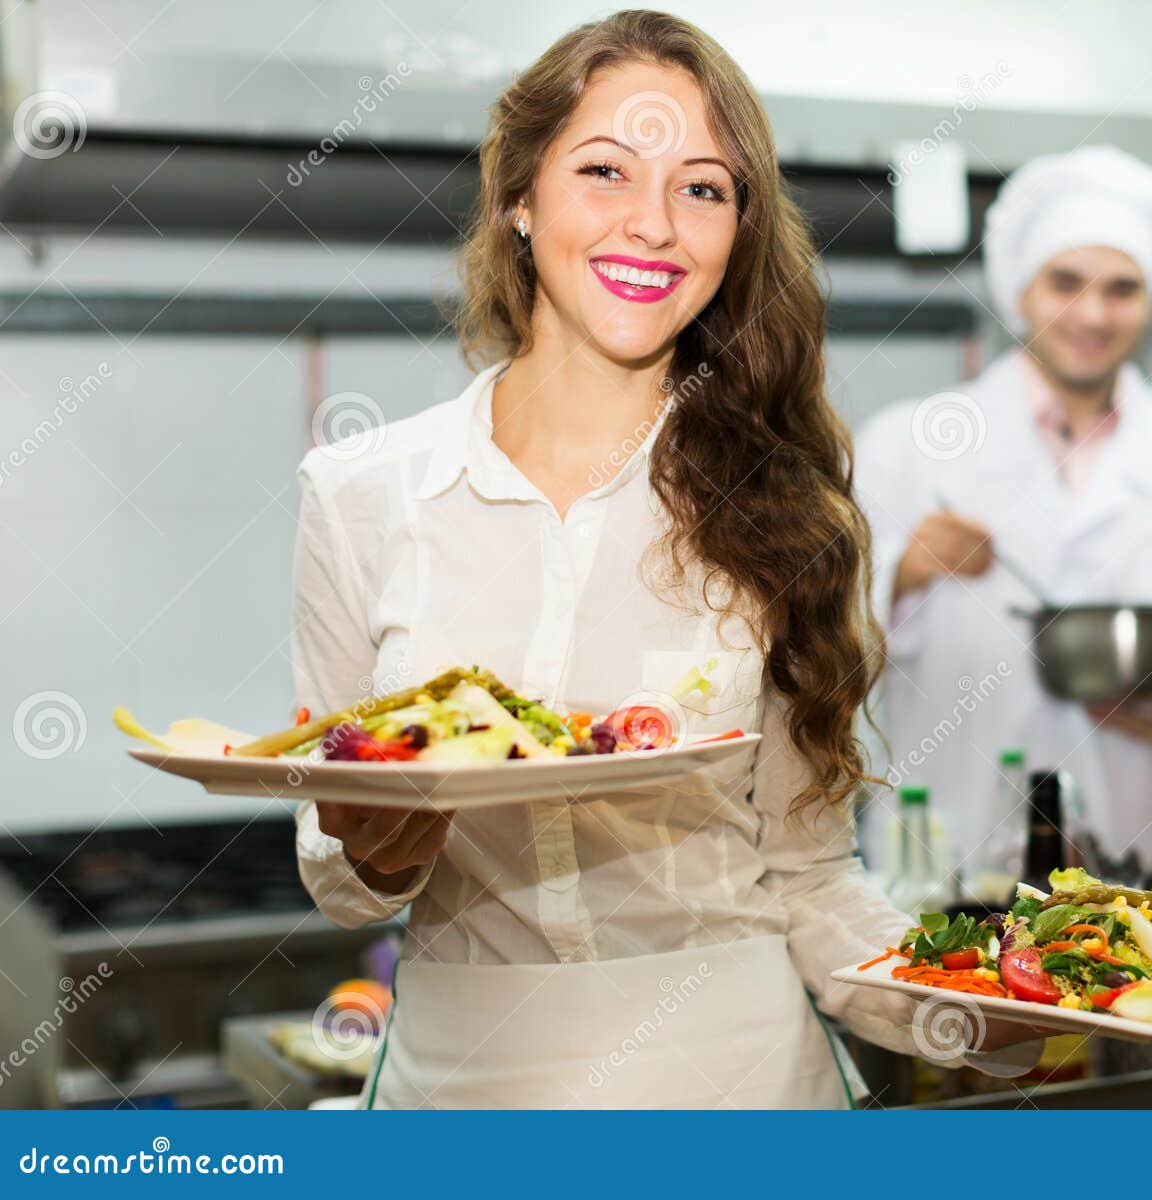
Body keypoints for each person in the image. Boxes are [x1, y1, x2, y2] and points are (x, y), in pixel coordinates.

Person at [289, 10, 1044, 1110]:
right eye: (604, 171)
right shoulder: (360, 496)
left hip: (738, 1092)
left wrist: (966, 1006)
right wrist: (384, 848)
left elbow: (809, 879)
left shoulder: (783, 510)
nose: (653, 226)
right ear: (519, 195)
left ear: (737, 230)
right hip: (459, 1098)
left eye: (701, 188)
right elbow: (337, 873)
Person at [857, 146, 1152, 891]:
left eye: (1122, 289)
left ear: (1150, 304)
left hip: (1134, 848)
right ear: (1020, 293)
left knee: (1132, 988)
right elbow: (815, 638)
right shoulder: (908, 444)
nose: (1092, 314)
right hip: (945, 853)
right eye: (1065, 283)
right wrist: (901, 572)